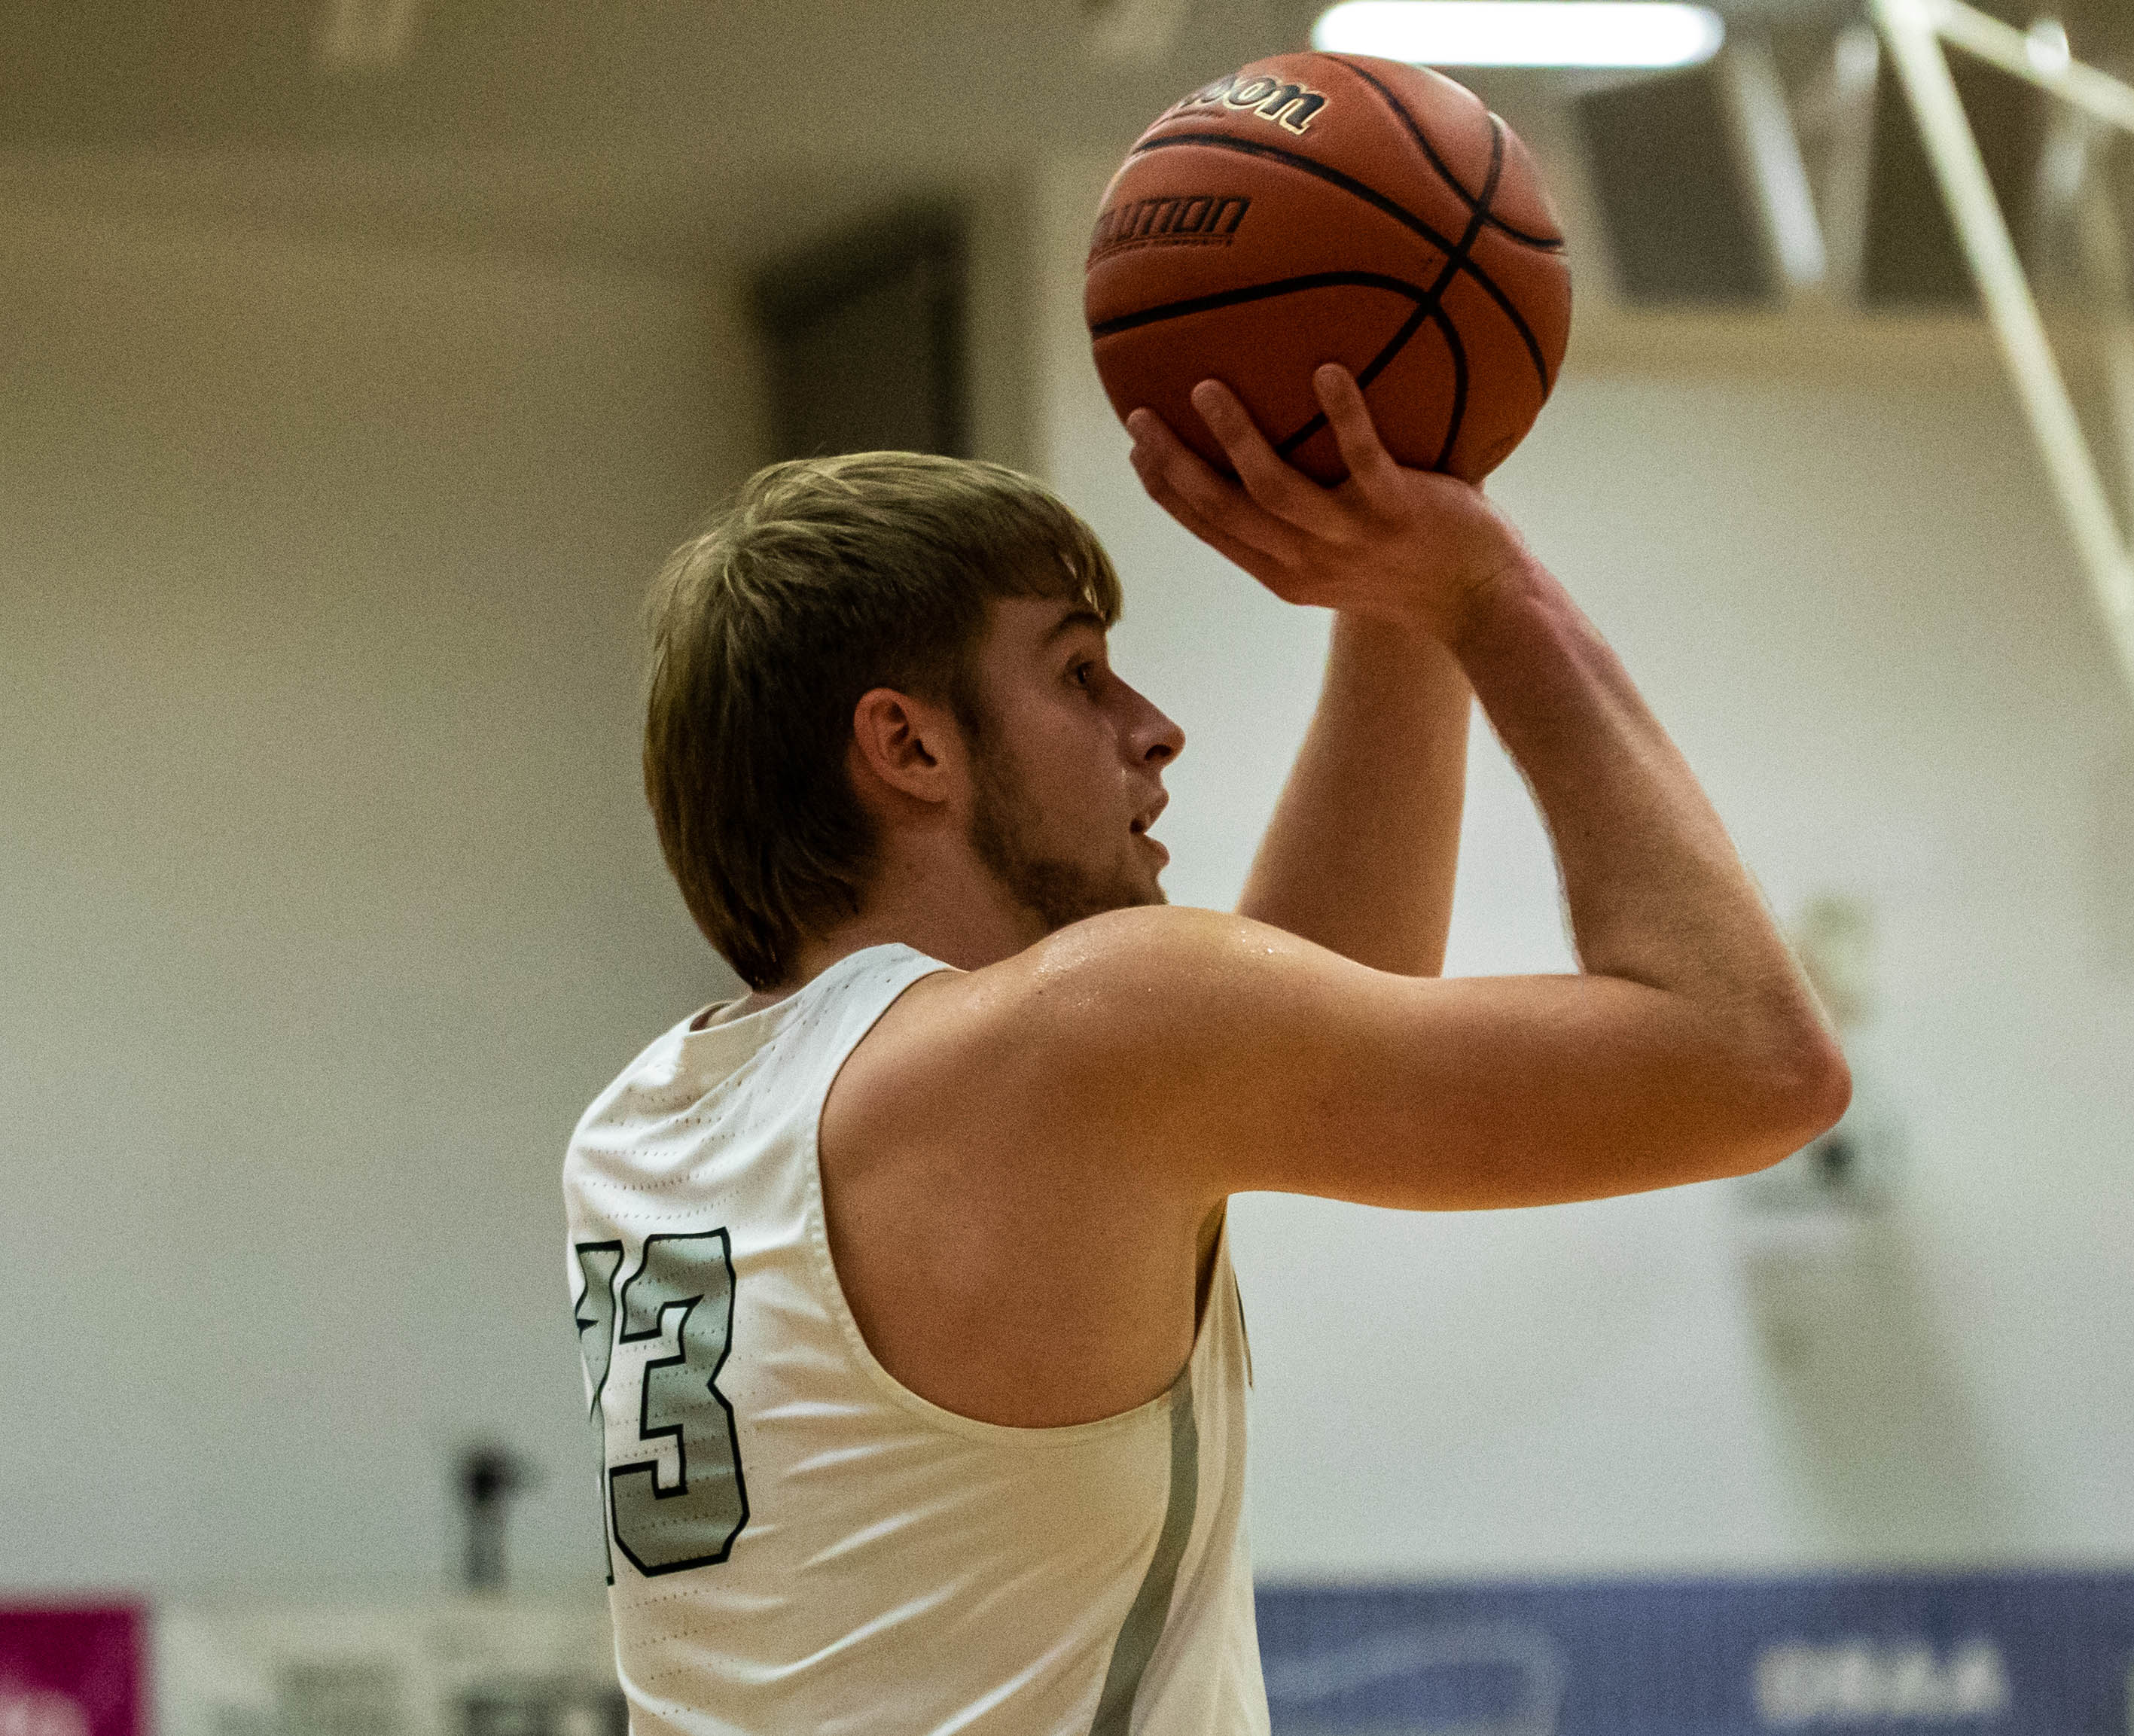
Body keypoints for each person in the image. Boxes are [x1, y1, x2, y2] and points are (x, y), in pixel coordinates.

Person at [562, 364, 1848, 1735]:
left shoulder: (649, 1125)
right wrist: (1490, 597)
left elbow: (1319, 999)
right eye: (1078, 671)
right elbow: (1756, 1061)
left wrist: (1395, 596)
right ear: (910, 744)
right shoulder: (1081, 1037)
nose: (1153, 728)